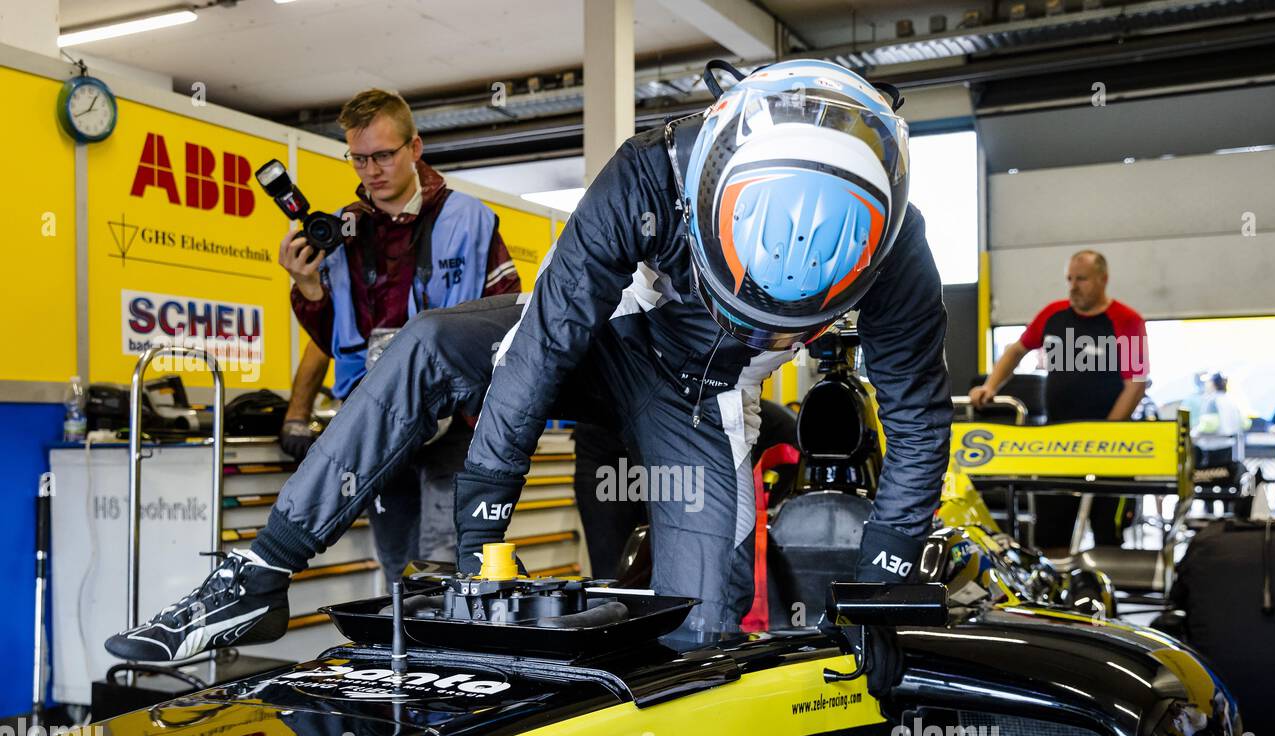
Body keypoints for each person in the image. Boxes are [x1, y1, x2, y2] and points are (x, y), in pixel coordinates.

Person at [106, 59, 952, 663]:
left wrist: (881, 586)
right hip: (596, 340)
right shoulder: (652, 170)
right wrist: (485, 516)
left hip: (700, 395)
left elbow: (915, 417)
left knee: (706, 631)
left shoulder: (898, 245)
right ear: (710, 194)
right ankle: (257, 575)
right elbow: (547, 336)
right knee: (428, 341)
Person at [278, 89, 520, 581]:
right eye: (359, 158)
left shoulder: (468, 220)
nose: (371, 170)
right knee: (396, 563)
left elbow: (510, 320)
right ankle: (405, 657)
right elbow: (332, 339)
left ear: (414, 147)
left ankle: (458, 655)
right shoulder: (340, 232)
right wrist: (307, 287)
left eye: (383, 155)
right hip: (376, 415)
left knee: (449, 558)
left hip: (460, 421)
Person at [969, 250, 1148, 552]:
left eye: (1082, 279)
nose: (1073, 286)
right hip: (1058, 444)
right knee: (1051, 533)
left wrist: (1107, 435)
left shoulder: (1127, 321)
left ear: (1103, 280)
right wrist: (990, 386)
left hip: (1111, 448)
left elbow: (1135, 385)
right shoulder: (1053, 315)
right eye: (1069, 279)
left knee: (1108, 534)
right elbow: (1016, 350)